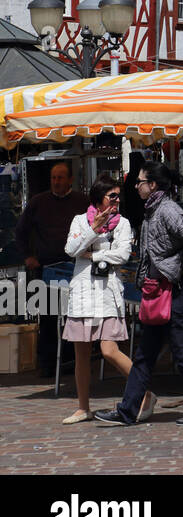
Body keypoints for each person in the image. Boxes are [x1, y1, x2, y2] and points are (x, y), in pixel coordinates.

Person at [95, 163, 183, 426]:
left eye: (140, 181)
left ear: (153, 185)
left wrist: (177, 268)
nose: (136, 186)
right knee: (144, 357)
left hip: (168, 293)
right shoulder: (153, 210)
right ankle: (128, 411)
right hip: (154, 292)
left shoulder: (167, 210)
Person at [61, 175, 137, 425]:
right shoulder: (80, 221)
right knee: (81, 354)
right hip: (83, 293)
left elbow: (123, 255)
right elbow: (71, 250)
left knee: (109, 350)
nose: (116, 201)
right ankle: (83, 407)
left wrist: (92, 255)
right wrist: (94, 229)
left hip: (107, 294)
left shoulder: (123, 224)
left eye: (118, 196)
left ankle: (145, 393)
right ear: (99, 198)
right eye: (111, 196)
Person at [16, 161, 92, 377]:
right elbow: (20, 231)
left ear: (70, 179)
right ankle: (48, 363)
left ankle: (70, 361)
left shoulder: (82, 202)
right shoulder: (38, 202)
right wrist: (28, 256)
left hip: (75, 268)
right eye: (53, 178)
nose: (56, 182)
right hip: (47, 268)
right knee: (48, 316)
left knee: (73, 315)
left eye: (60, 178)